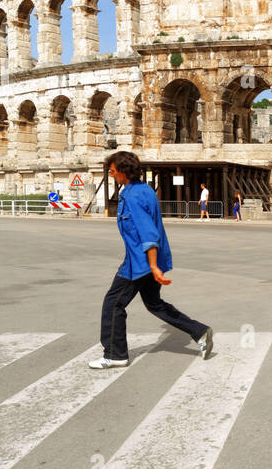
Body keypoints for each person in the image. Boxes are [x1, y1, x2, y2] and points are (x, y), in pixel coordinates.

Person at [91, 151, 213, 369]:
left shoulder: (132, 196)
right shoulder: (145, 190)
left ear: (123, 172)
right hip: (145, 261)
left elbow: (148, 235)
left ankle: (115, 354)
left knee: (113, 304)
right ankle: (200, 331)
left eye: (112, 171)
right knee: (154, 304)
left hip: (139, 263)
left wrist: (153, 266)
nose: (111, 175)